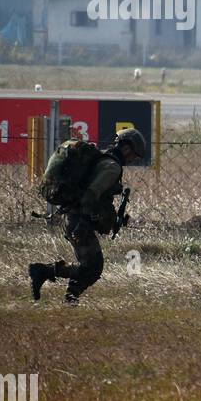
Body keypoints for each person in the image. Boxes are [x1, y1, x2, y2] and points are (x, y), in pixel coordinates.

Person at [29, 127, 146, 303]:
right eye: (134, 156)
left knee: (90, 265)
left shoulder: (103, 161)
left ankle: (69, 296)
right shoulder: (112, 167)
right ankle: (45, 273)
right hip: (78, 220)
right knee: (93, 267)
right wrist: (84, 222)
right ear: (127, 148)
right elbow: (91, 194)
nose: (132, 160)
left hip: (74, 217)